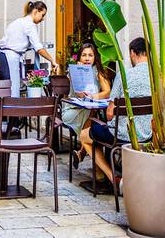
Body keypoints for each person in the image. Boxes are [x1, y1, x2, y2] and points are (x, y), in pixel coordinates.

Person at [89, 37, 152, 192]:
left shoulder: (125, 75)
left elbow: (110, 114)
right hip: (147, 134)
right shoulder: (157, 76)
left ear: (132, 53)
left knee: (86, 135)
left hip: (122, 134)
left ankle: (114, 179)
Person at [62, 43, 111, 165]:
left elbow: (107, 91)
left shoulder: (97, 71)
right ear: (79, 58)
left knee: (92, 115)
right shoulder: (74, 71)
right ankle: (86, 151)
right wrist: (80, 72)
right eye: (84, 55)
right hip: (72, 110)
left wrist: (95, 96)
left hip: (90, 109)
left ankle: (83, 152)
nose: (87, 58)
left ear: (95, 58)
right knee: (92, 117)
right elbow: (80, 93)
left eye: (90, 55)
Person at [0, 1, 54, 97]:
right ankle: (13, 111)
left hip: (0, 57)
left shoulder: (18, 21)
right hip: (10, 58)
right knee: (13, 92)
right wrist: (52, 60)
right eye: (42, 15)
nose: (43, 19)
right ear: (36, 11)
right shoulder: (30, 25)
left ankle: (3, 111)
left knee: (4, 91)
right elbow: (39, 48)